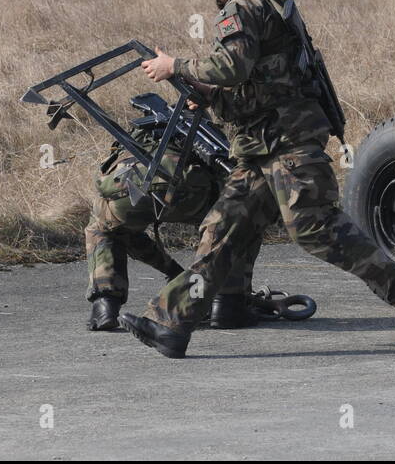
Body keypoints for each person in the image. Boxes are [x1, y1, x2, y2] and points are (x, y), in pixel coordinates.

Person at [119, 0, 395, 358]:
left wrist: (175, 64)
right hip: (260, 149)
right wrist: (207, 93)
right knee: (221, 232)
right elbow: (262, 79)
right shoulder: (268, 1)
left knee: (314, 226)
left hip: (287, 143)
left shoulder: (243, 6)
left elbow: (232, 65)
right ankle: (170, 324)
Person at [84, 130, 265, 332]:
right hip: (192, 191)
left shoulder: (132, 143)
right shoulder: (203, 133)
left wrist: (171, 269)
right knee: (234, 223)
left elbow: (130, 238)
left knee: (103, 229)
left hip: (126, 189)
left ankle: (105, 303)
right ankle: (227, 304)